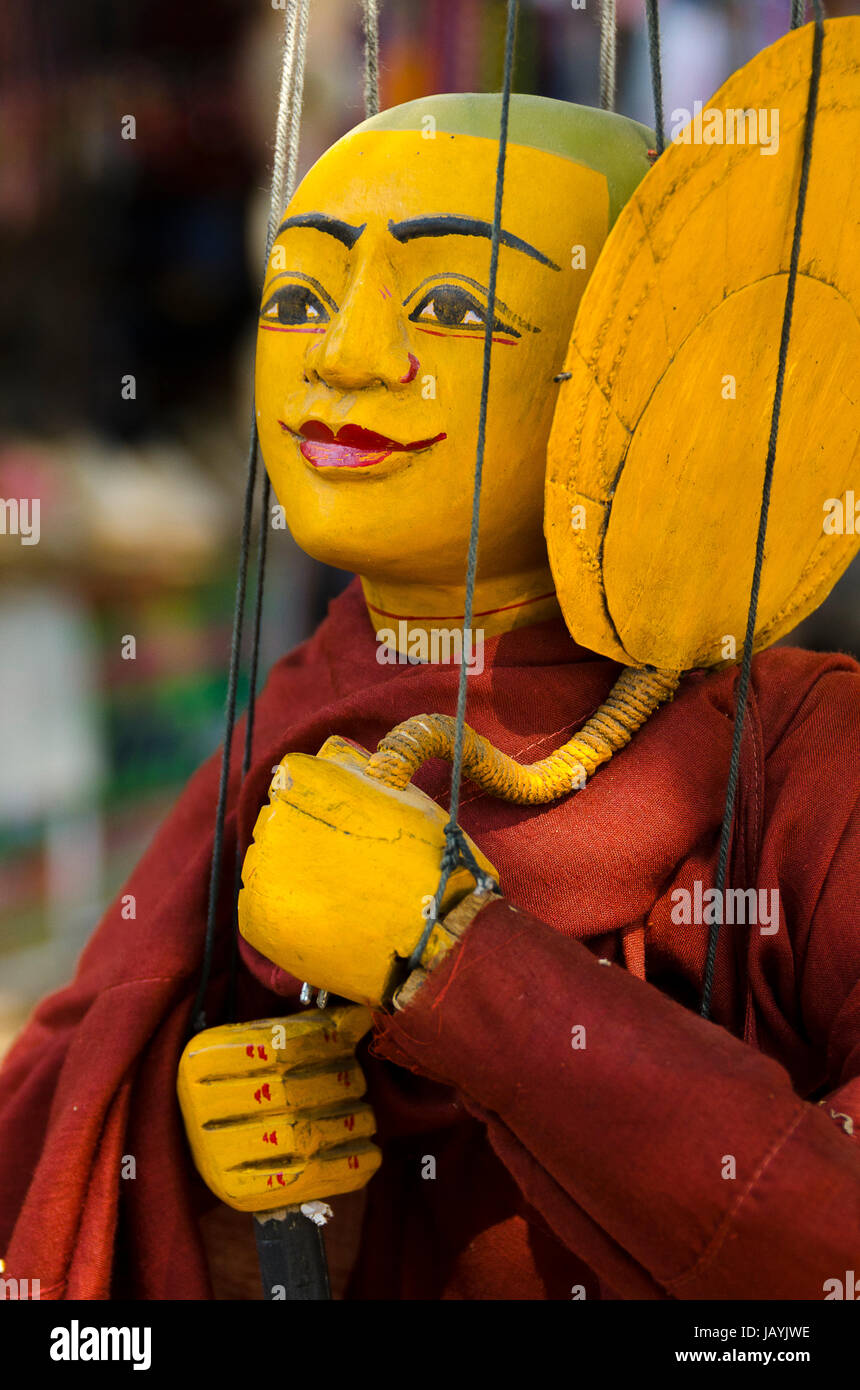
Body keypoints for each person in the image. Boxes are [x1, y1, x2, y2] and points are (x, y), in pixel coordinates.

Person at [1, 93, 858, 1302]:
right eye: (299, 295)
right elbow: (50, 1147)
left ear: (657, 368)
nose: (343, 355)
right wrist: (191, 1149)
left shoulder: (812, 756)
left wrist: (458, 969)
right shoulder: (292, 730)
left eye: (454, 305)